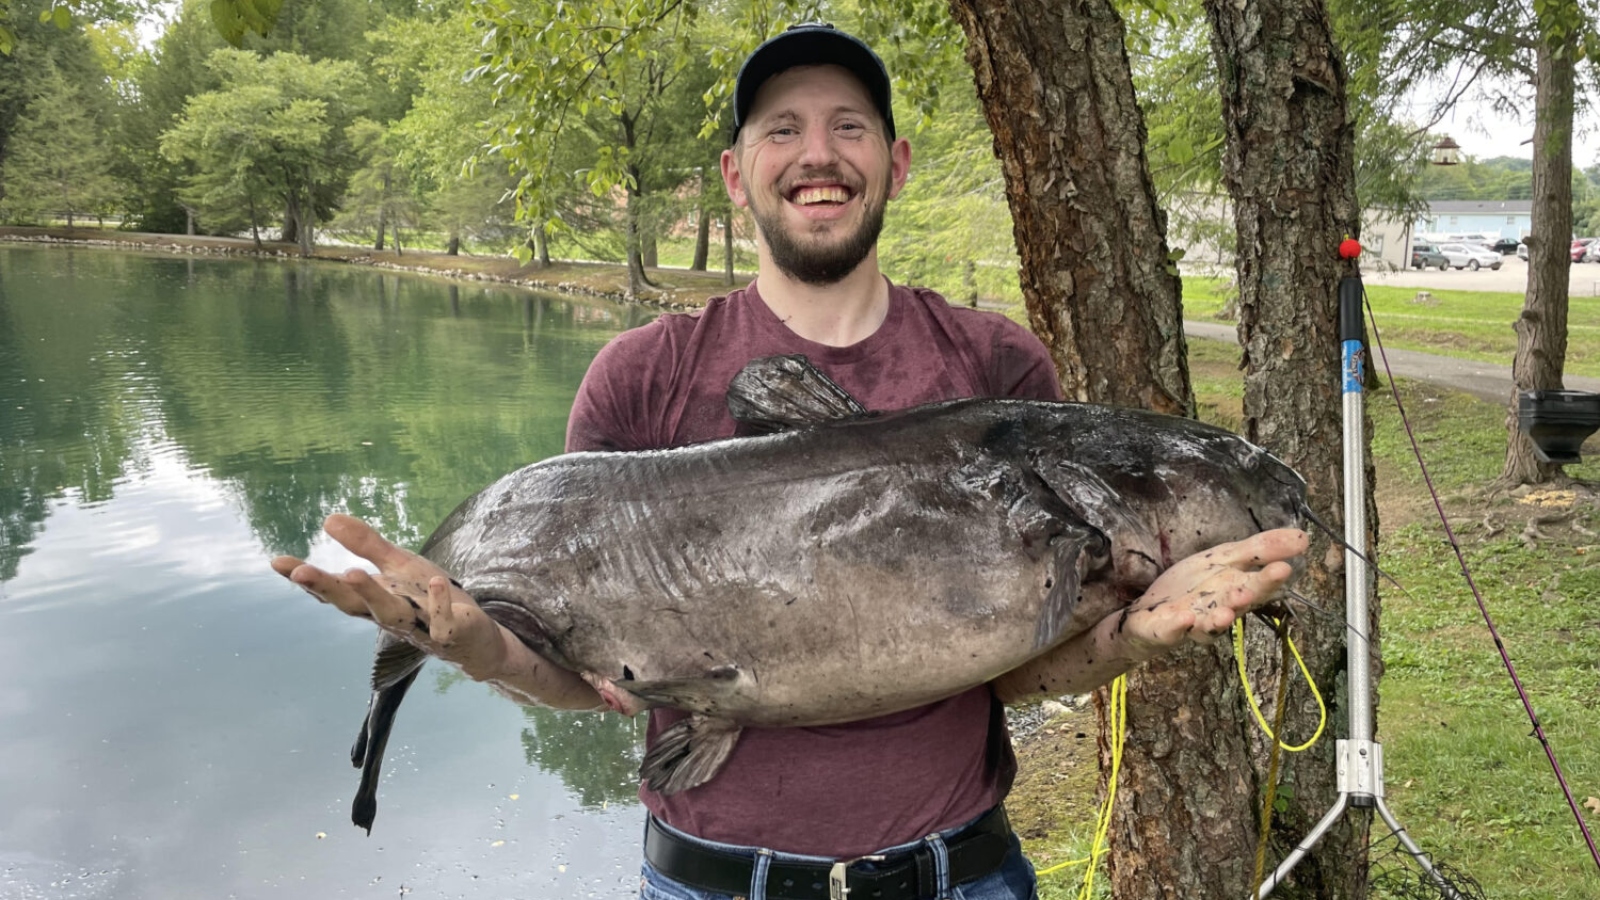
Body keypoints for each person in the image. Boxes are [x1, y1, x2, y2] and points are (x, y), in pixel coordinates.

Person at [272, 22, 1309, 900]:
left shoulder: (996, 365)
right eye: (784, 130)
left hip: (959, 870)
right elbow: (591, 680)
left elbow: (1011, 668)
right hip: (708, 876)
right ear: (737, 174)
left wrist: (1127, 635)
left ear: (893, 163)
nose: (819, 154)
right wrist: (476, 646)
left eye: (848, 127)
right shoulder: (641, 375)